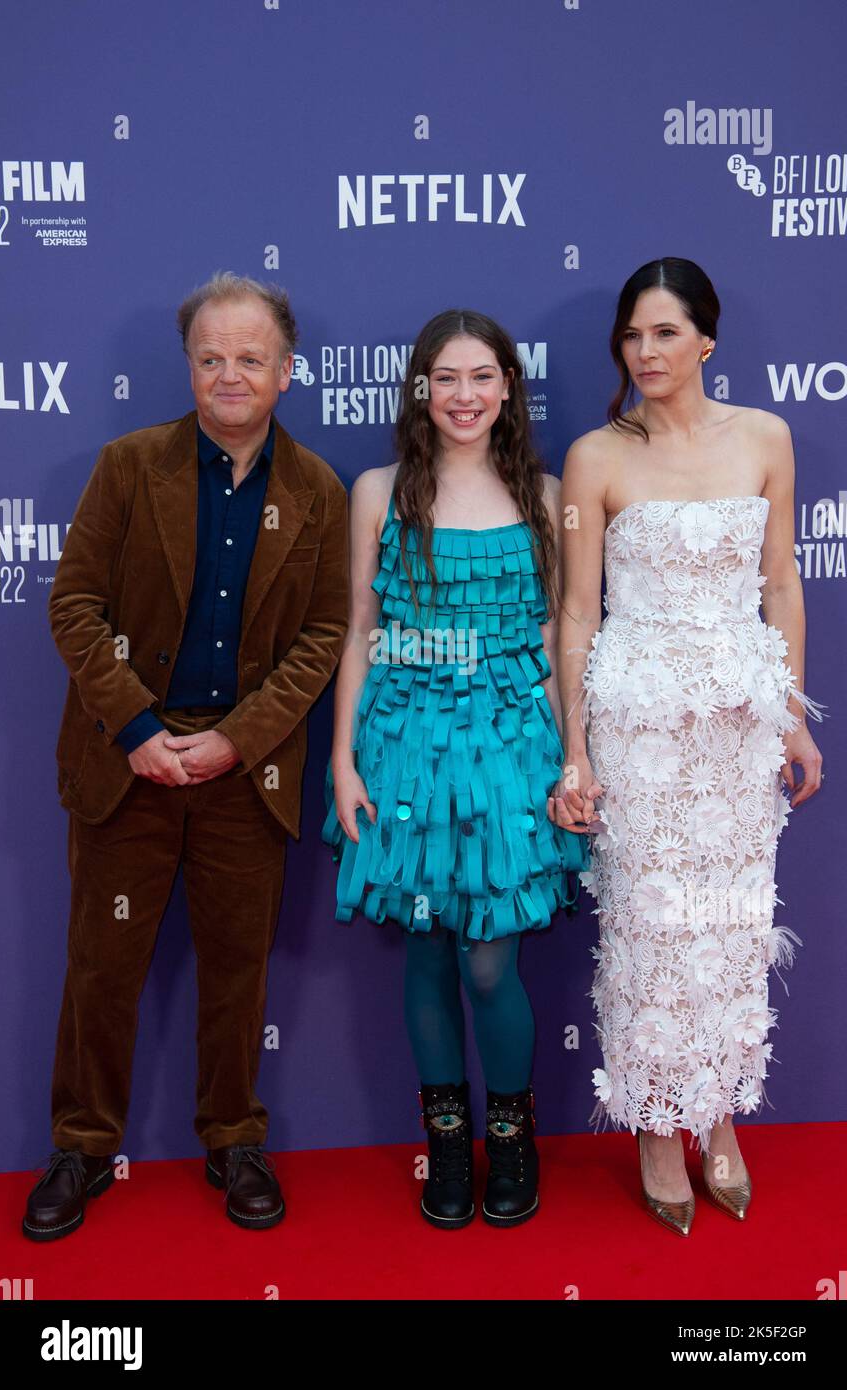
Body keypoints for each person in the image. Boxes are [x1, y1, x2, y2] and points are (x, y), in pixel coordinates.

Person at [23, 272, 349, 1240]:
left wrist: (235, 740)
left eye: (250, 357)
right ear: (190, 367)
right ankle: (81, 1147)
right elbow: (72, 607)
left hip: (245, 775)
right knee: (100, 968)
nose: (229, 374)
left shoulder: (319, 491)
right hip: (127, 766)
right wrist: (137, 733)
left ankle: (233, 1139)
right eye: (211, 357)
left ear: (286, 371)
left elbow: (322, 637)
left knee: (236, 971)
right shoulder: (129, 467)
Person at [551, 257, 824, 1236]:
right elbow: (577, 611)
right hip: (638, 724)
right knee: (650, 926)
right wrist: (574, 752)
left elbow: (782, 583)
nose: (646, 351)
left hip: (738, 728)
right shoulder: (595, 456)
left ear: (706, 339)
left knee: (726, 924)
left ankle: (718, 1114)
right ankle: (656, 1126)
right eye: (632, 334)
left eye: (665, 332)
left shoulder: (765, 438)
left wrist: (789, 711)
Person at [322, 309, 589, 1229]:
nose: (463, 396)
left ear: (507, 387)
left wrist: (571, 757)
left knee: (487, 960)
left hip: (512, 745)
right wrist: (341, 760)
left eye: (481, 377)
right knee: (429, 948)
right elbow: (361, 632)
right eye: (445, 378)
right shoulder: (377, 489)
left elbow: (559, 635)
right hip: (402, 744)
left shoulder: (548, 493)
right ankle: (443, 1139)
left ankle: (510, 1137)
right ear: (419, 389)